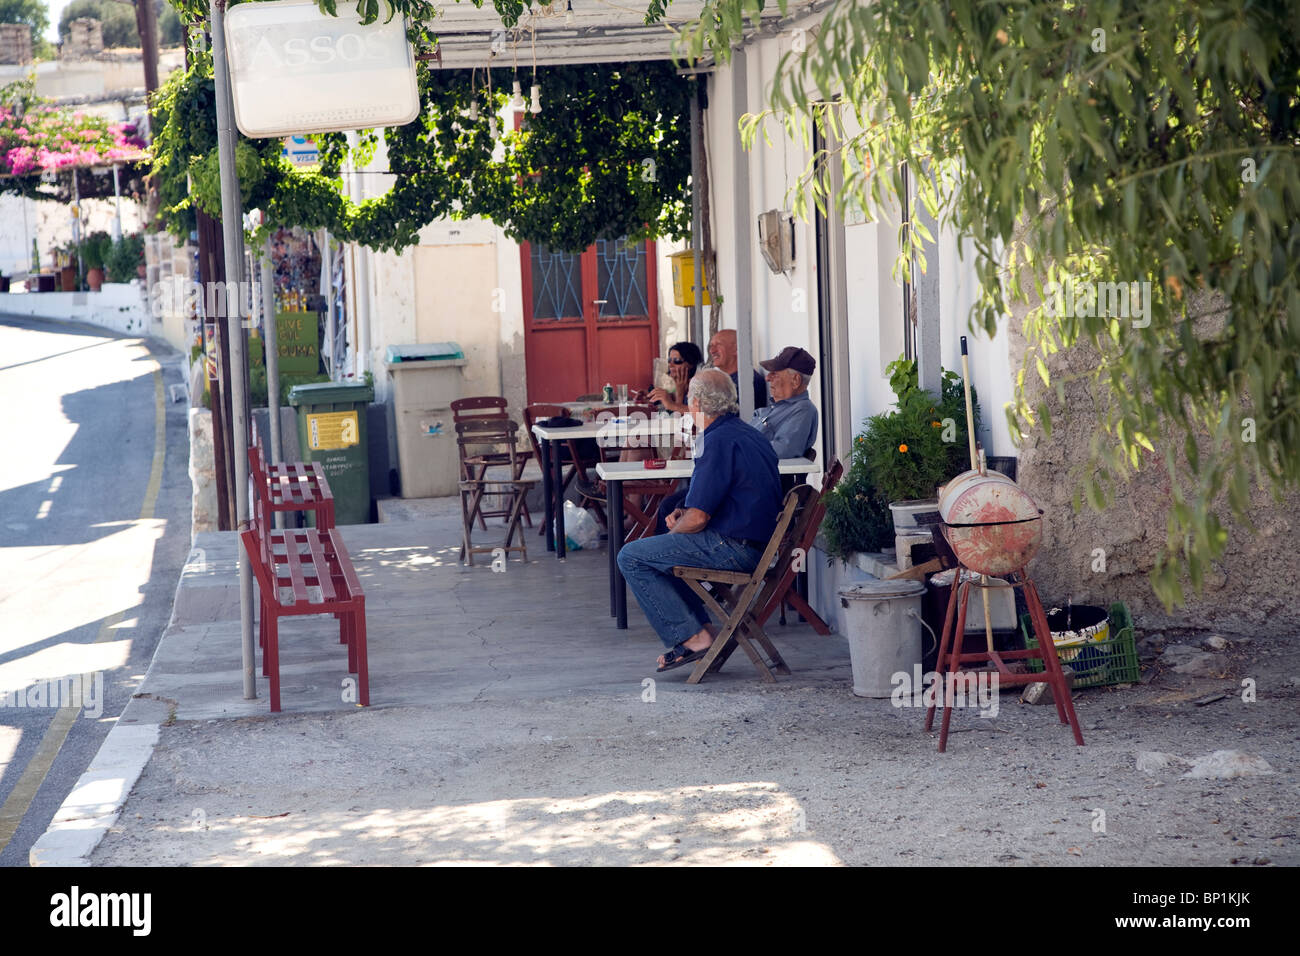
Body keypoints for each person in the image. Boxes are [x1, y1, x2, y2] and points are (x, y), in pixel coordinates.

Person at [617, 369, 782, 672]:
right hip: (754, 543)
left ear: (695, 403)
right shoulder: (747, 434)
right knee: (659, 553)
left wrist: (677, 531)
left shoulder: (715, 440)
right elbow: (711, 503)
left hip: (735, 547)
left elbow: (698, 519)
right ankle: (699, 632)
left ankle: (693, 636)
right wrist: (684, 514)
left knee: (632, 556)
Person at [752, 346, 819, 459]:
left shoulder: (803, 409)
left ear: (795, 380)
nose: (767, 378)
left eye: (775, 374)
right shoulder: (775, 408)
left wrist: (742, 447)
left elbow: (782, 450)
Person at [707, 329, 768, 409]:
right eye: (711, 345)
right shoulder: (723, 380)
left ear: (736, 349)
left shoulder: (748, 381)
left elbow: (716, 417)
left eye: (718, 344)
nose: (712, 350)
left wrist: (688, 409)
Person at [643, 341, 703, 415]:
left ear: (691, 364)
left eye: (677, 361)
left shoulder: (700, 386)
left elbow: (701, 414)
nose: (670, 365)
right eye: (669, 361)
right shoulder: (677, 385)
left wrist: (677, 398)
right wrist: (651, 397)